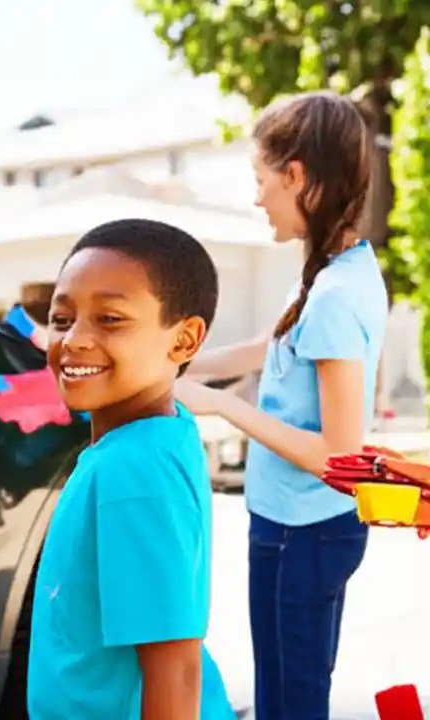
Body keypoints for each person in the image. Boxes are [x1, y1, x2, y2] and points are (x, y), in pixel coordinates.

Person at [176, 90, 387, 719]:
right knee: (281, 697)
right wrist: (174, 366)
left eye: (260, 179)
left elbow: (340, 457)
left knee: (290, 706)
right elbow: (266, 350)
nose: (256, 196)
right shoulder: (329, 273)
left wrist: (222, 409)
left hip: (307, 534)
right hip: (292, 527)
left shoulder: (336, 295)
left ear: (297, 177)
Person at [28, 218, 234, 720]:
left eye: (110, 319)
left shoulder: (133, 469)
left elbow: (175, 670)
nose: (74, 340)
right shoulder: (157, 436)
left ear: (183, 341)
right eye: (62, 319)